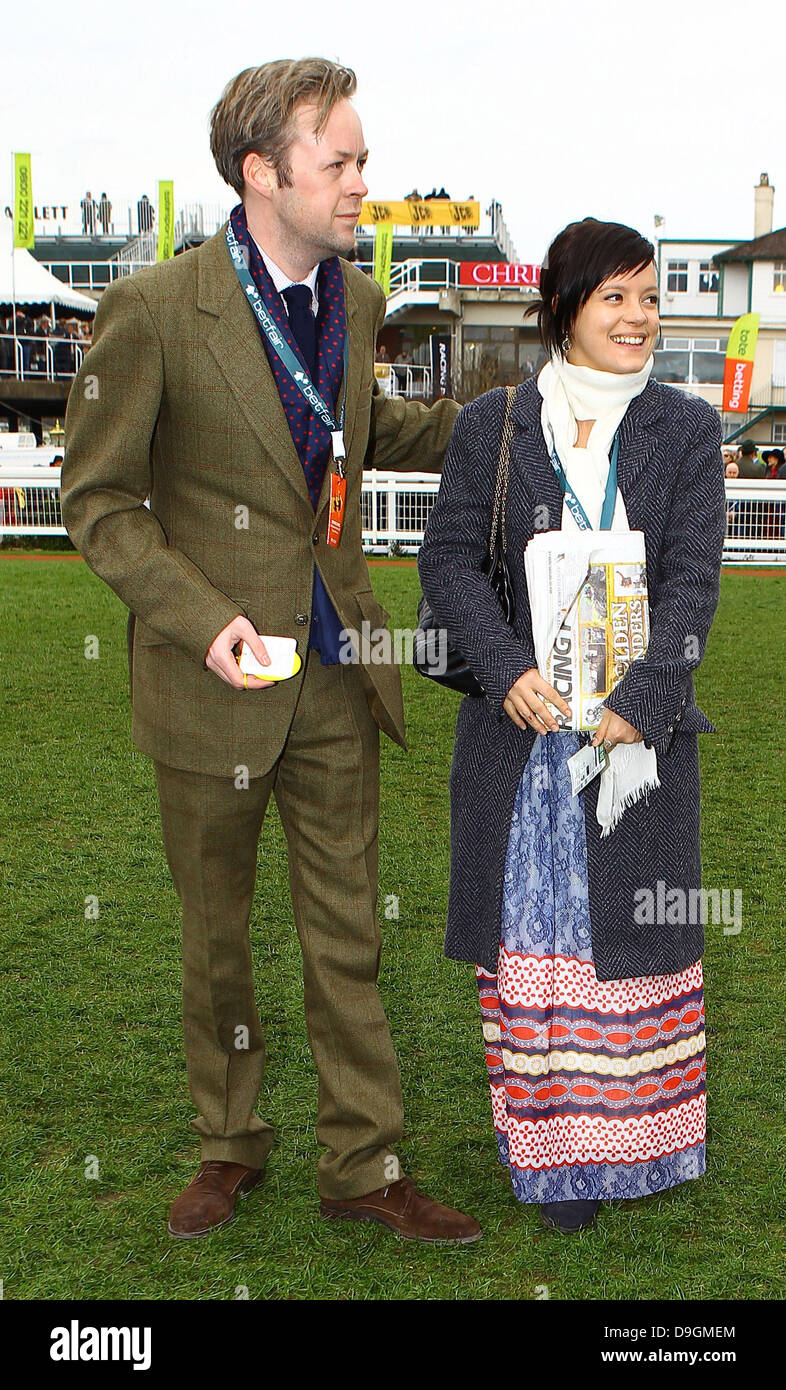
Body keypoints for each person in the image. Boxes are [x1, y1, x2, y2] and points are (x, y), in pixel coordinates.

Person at [61, 57, 480, 1247]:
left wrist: (517, 419)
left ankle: (364, 1160)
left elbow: (357, 433)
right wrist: (206, 620)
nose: (363, 183)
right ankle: (229, 1143)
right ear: (264, 172)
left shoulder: (350, 303)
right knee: (218, 938)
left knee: (350, 932)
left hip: (338, 671)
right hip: (211, 683)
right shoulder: (150, 311)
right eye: (340, 161)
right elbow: (99, 500)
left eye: (362, 159)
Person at [419, 218, 726, 1235]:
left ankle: (635, 1148)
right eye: (617, 298)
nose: (640, 317)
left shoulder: (684, 431)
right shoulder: (494, 426)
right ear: (566, 309)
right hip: (524, 747)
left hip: (633, 743)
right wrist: (504, 667)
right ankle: (553, 1163)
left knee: (627, 952)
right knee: (538, 958)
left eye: (649, 298)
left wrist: (645, 698)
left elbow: (694, 582)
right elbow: (451, 563)